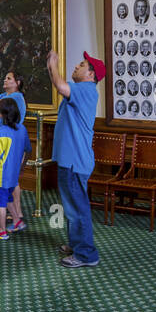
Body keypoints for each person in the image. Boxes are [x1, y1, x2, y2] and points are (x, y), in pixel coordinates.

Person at [45, 48, 105, 269]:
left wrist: (53, 64)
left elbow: (60, 85)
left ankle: (87, 254)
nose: (76, 66)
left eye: (81, 65)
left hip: (75, 162)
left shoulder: (87, 89)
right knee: (71, 206)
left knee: (78, 208)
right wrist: (51, 68)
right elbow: (59, 84)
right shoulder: (81, 89)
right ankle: (76, 245)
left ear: (91, 75)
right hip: (70, 161)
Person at [0, 95, 29, 244]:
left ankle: (1, 231)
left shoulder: (0, 131)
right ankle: (17, 221)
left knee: (0, 203)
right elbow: (27, 150)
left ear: (2, 114)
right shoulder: (22, 129)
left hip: (1, 174)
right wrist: (21, 166)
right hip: (14, 174)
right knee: (8, 197)